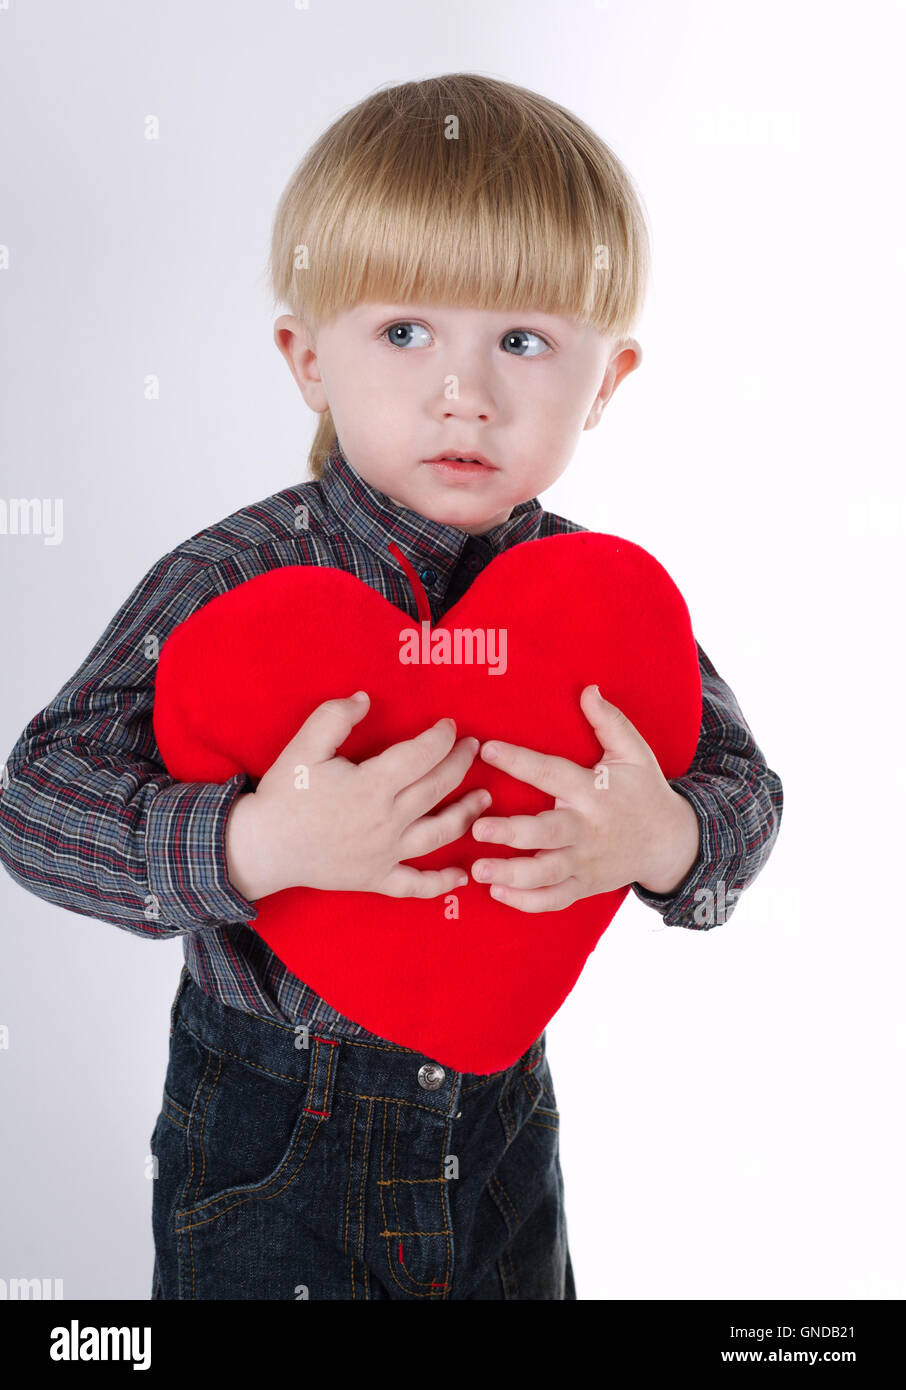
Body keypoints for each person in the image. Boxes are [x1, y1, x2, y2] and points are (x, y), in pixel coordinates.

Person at [0, 73, 783, 1299]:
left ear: (609, 381)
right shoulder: (234, 577)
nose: (463, 391)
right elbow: (36, 800)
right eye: (404, 333)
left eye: (523, 340)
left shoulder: (602, 610)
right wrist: (253, 841)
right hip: (271, 1121)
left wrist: (669, 834)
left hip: (502, 1123)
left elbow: (744, 789)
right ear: (307, 358)